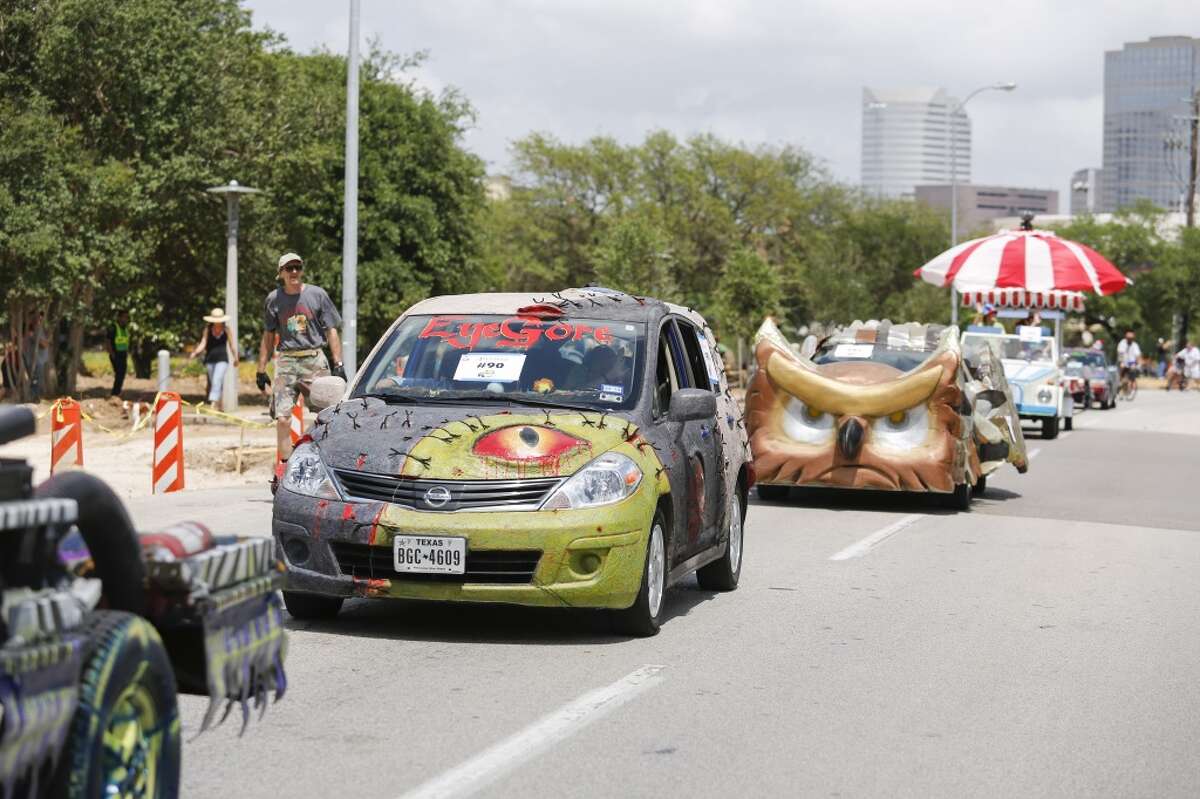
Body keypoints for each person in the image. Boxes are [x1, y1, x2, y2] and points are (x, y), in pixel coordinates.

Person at [257, 253, 345, 485]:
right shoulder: (273, 299)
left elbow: (331, 330)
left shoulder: (317, 295)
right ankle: (284, 469)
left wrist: (338, 364)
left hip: (314, 359)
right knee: (283, 419)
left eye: (297, 267)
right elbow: (268, 335)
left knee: (327, 415)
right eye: (289, 269)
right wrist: (260, 368)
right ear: (281, 273)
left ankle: (327, 465)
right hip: (286, 360)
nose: (294, 272)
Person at [189, 307, 239, 410]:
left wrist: (235, 357)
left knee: (216, 380)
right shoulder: (207, 329)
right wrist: (195, 352)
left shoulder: (226, 330)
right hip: (210, 360)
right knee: (215, 382)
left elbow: (232, 345)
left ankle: (212, 404)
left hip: (222, 359)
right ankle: (220, 405)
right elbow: (203, 343)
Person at [106, 309, 131, 398]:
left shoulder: (125, 329)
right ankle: (115, 393)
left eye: (127, 317)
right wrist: (112, 354)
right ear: (119, 318)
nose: (126, 319)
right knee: (119, 373)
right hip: (116, 354)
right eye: (124, 317)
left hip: (123, 355)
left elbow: (125, 342)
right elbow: (108, 342)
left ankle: (117, 392)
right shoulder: (113, 328)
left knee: (122, 374)